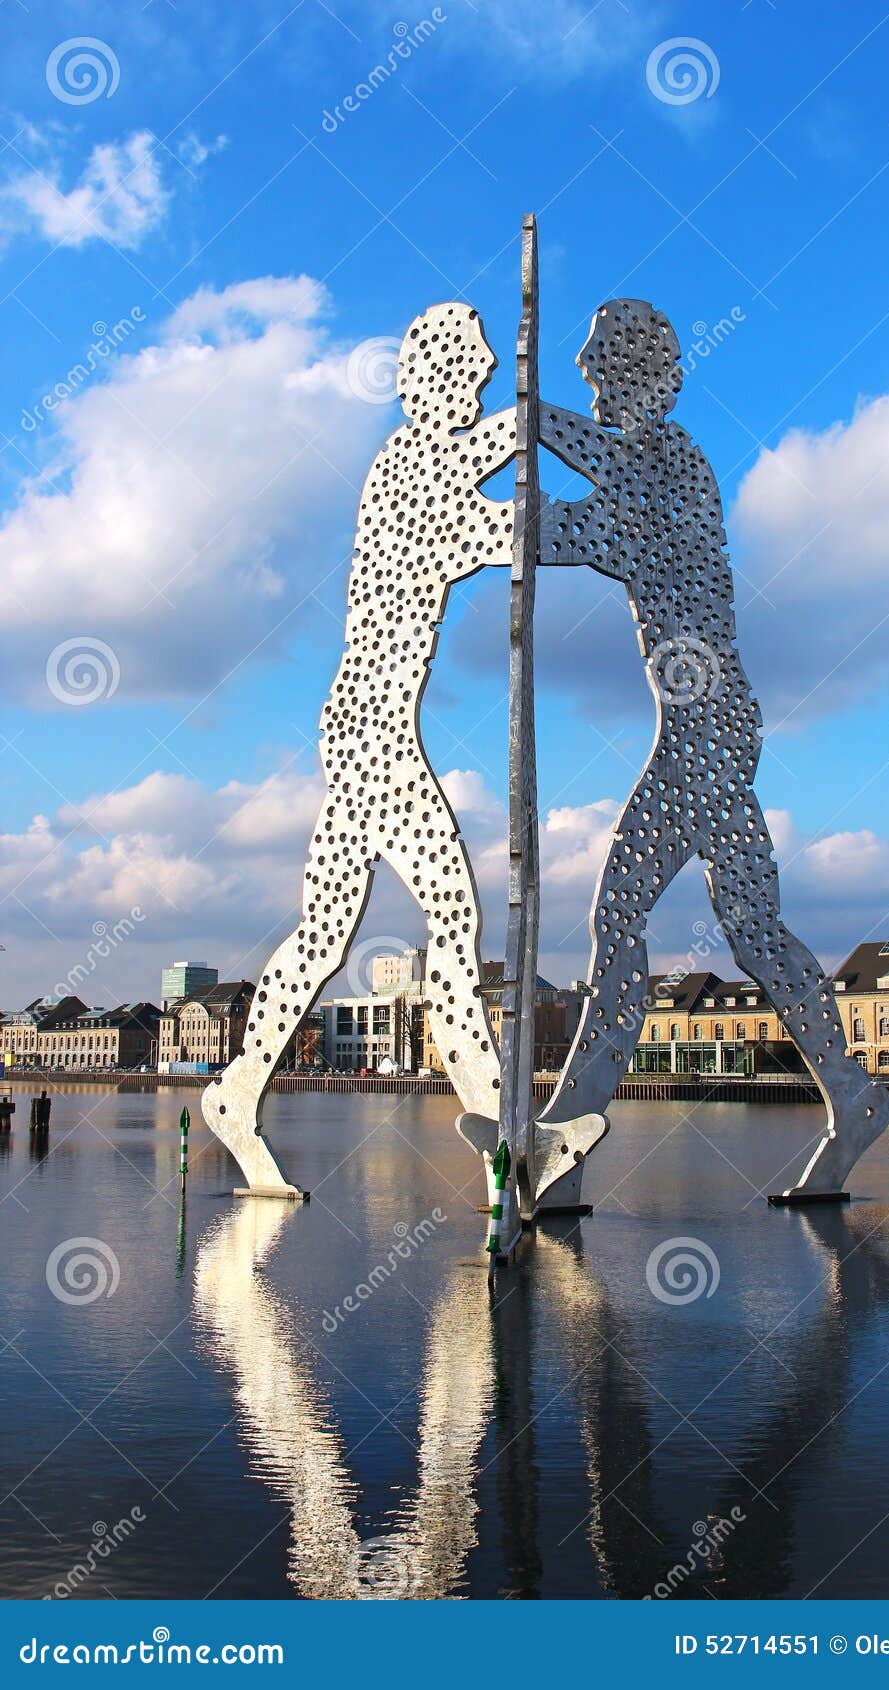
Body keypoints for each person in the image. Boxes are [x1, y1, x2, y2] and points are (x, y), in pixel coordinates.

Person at [531, 299, 889, 1203]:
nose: (589, 375)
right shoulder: (639, 472)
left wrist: (516, 426)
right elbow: (576, 525)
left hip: (709, 724)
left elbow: (589, 524)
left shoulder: (673, 461)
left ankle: (564, 1132)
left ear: (648, 372)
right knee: (753, 928)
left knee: (618, 916)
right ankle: (851, 1098)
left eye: (603, 362)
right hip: (716, 724)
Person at [203, 303, 515, 1193]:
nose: (485, 376)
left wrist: (531, 433)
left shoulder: (424, 457)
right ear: (427, 374)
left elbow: (489, 467)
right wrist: (540, 454)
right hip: (372, 732)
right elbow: (484, 532)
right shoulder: (407, 463)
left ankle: (236, 1089)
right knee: (451, 920)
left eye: (492, 369)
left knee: (323, 933)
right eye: (473, 364)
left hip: (360, 729)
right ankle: (499, 1132)